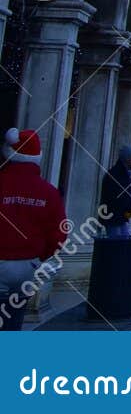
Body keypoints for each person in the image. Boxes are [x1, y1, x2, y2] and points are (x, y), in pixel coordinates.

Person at [0, 129, 68, 331]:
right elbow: (59, 233)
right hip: (28, 264)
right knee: (15, 317)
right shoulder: (48, 191)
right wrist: (39, 256)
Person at [98, 146, 131, 238]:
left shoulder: (123, 173)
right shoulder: (116, 174)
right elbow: (118, 197)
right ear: (127, 159)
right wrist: (128, 210)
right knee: (117, 244)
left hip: (119, 217)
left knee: (122, 242)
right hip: (115, 218)